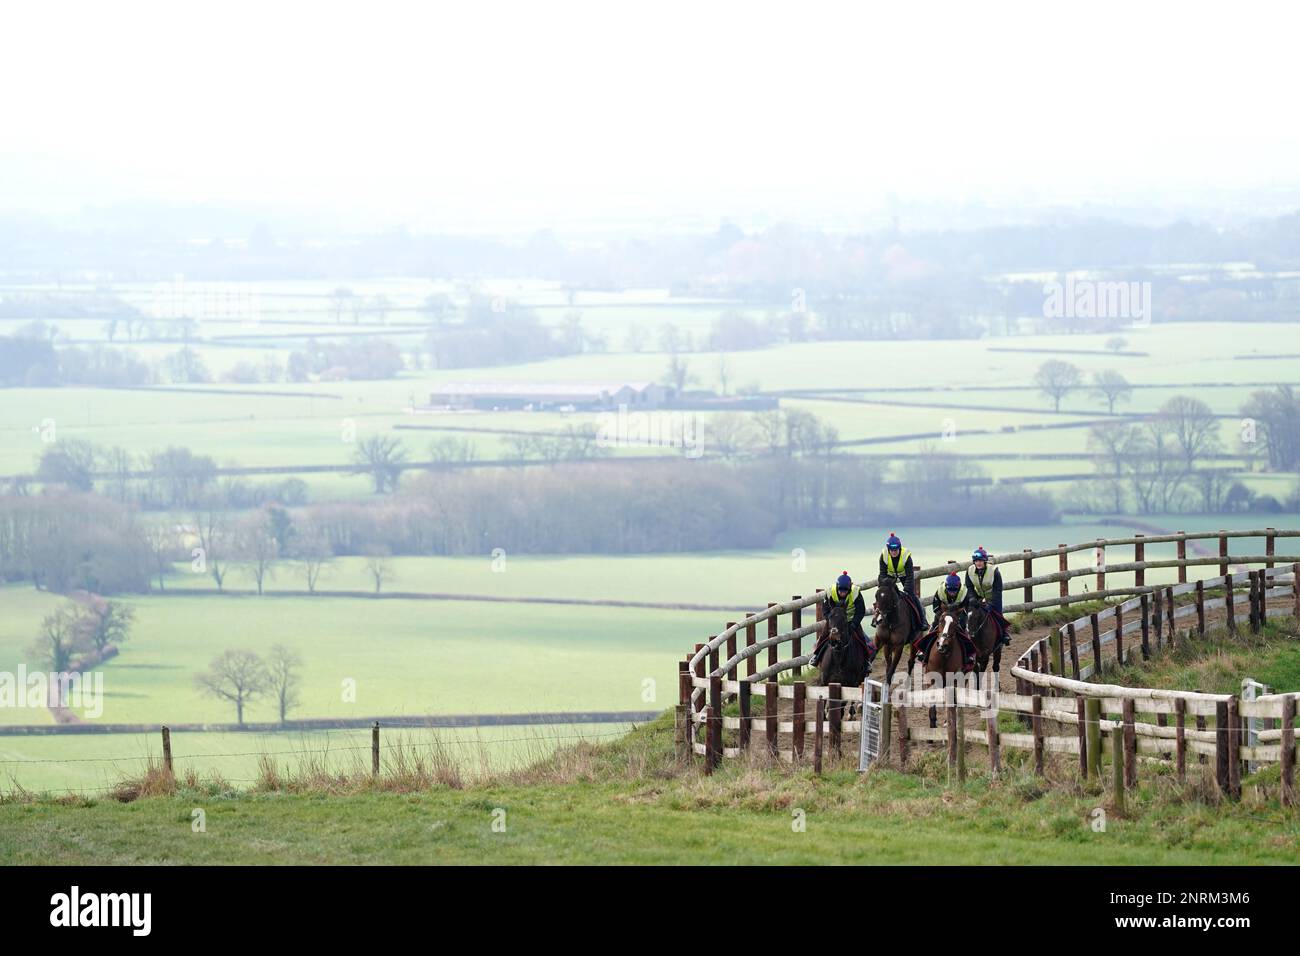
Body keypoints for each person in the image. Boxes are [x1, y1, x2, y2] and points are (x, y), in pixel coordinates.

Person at [810, 572, 875, 668]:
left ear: (849, 589)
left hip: (850, 620)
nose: (842, 592)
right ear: (837, 587)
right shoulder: (830, 592)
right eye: (840, 589)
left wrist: (854, 623)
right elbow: (825, 608)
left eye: (845, 590)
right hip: (834, 621)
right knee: (823, 636)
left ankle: (866, 662)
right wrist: (831, 619)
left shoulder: (856, 592)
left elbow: (860, 611)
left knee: (861, 638)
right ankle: (816, 656)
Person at [913, 572, 977, 670]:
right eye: (950, 590)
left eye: (954, 590)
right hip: (942, 614)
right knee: (933, 627)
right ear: (946, 587)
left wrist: (957, 617)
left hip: (958, 615)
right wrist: (942, 616)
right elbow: (935, 607)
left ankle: (970, 655)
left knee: (964, 630)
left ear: (959, 587)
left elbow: (966, 608)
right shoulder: (940, 591)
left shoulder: (964, 592)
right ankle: (923, 651)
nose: (952, 592)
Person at [875, 532, 927, 631]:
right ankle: (876, 617)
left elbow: (910, 575)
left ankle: (922, 620)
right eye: (891, 550)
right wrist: (885, 584)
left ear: (899, 548)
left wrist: (907, 590)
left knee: (912, 597)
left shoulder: (906, 556)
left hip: (905, 575)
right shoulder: (884, 556)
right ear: (888, 549)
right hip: (889, 577)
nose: (894, 552)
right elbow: (882, 573)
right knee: (882, 595)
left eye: (896, 549)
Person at [964, 545, 1010, 647]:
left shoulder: (994, 572)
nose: (978, 563)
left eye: (980, 561)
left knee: (998, 614)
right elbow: (969, 587)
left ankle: (1004, 634)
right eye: (976, 561)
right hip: (978, 597)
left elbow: (997, 590)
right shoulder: (969, 571)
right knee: (968, 612)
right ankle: (964, 631)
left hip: (993, 597)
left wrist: (991, 604)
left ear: (985, 561)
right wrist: (972, 598)